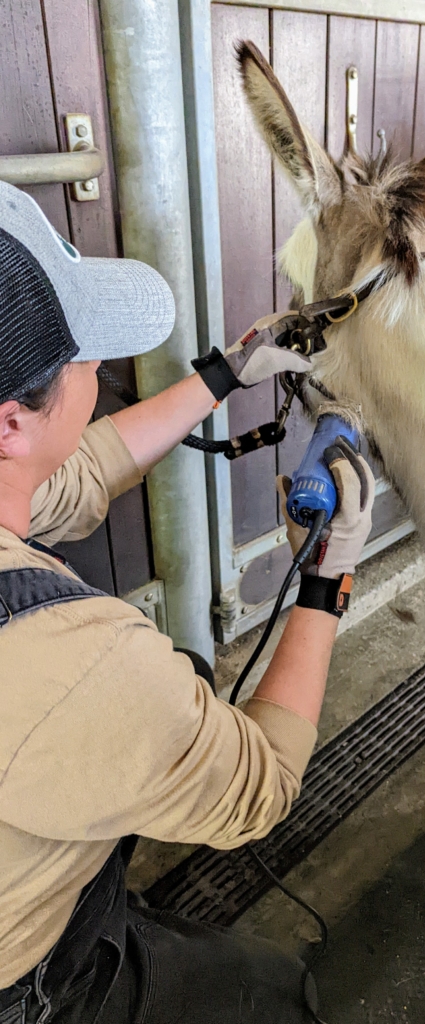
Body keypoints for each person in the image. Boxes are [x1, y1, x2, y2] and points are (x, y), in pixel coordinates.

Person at [0, 180, 375, 1023]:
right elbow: (261, 786)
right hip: (30, 988)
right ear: (10, 425)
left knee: (190, 673)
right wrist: (327, 575)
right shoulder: (74, 660)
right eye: (80, 356)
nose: (96, 364)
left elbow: (77, 474)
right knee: (274, 995)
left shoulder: (12, 477)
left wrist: (222, 373)